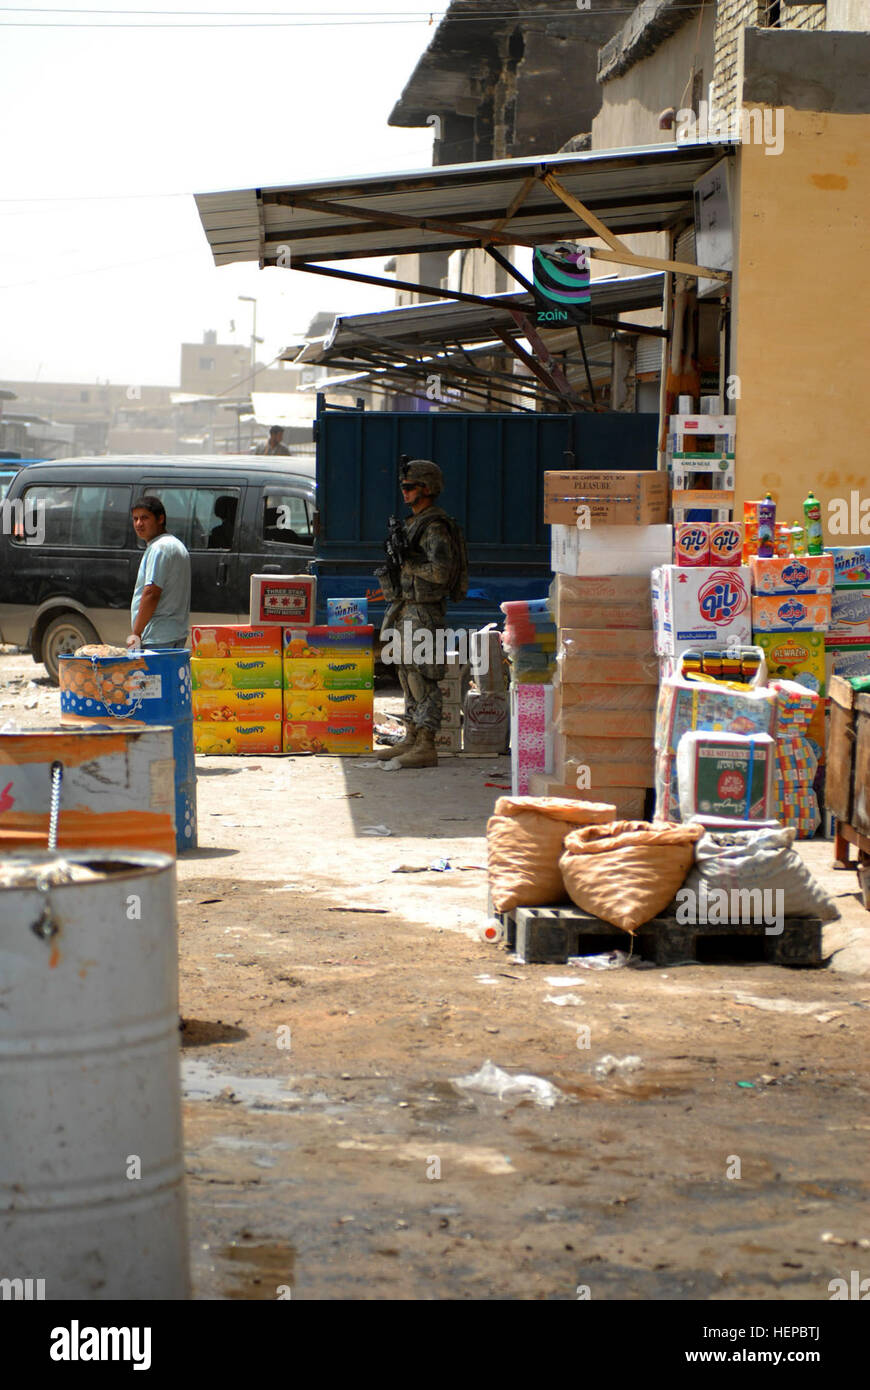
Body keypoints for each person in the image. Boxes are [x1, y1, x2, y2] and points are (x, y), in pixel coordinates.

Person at [375, 457, 467, 769]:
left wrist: (407, 563)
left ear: (426, 489)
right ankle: (412, 736)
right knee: (405, 671)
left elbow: (441, 572)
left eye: (409, 487)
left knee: (423, 675)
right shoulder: (415, 523)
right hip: (406, 607)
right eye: (403, 487)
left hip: (424, 611)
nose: (404, 492)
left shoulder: (435, 526)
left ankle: (427, 743)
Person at [128, 496, 191, 649]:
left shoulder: (159, 548)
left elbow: (151, 593)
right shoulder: (175, 545)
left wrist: (136, 633)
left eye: (145, 518)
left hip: (157, 638)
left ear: (160, 519)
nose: (139, 524)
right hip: (175, 634)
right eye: (135, 519)